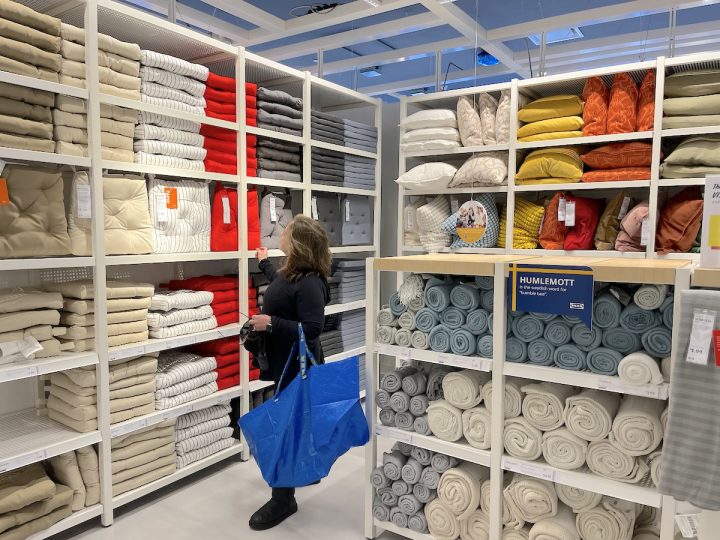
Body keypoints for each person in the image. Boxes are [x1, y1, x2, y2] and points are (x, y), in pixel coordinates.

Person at [246, 214, 332, 531]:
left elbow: (312, 329)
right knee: (296, 425)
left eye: (286, 230)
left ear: (297, 242)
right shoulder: (292, 273)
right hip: (286, 363)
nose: (281, 233)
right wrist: (264, 263)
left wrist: (270, 323)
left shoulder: (310, 283)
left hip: (298, 367)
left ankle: (282, 499)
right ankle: (302, 472)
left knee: (285, 428)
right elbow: (281, 287)